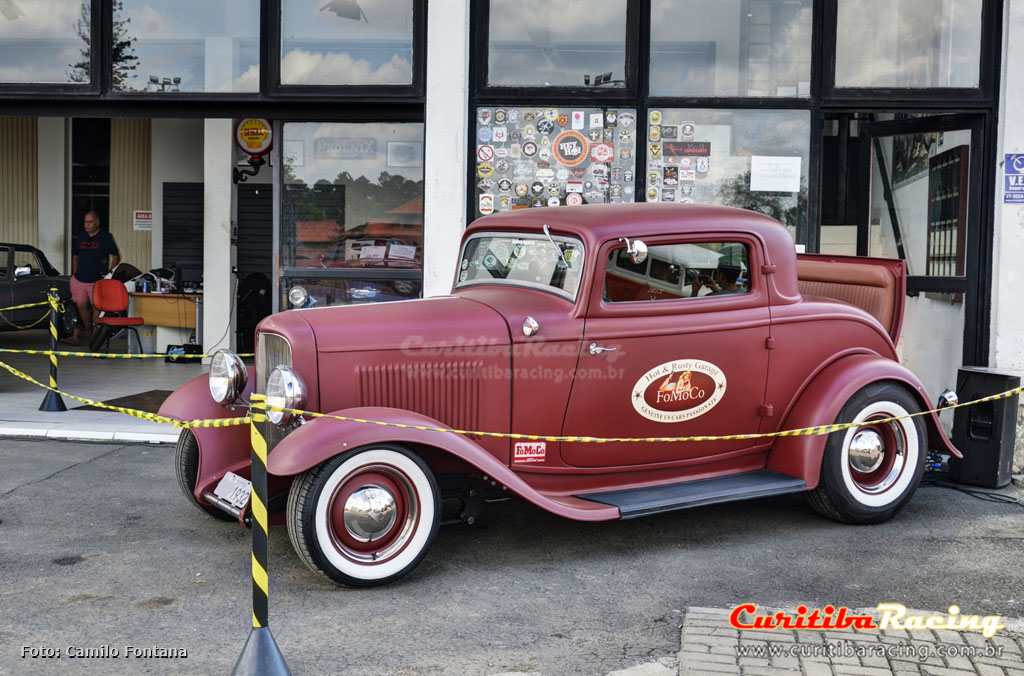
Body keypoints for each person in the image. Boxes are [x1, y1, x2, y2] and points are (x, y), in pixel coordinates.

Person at [69, 211, 120, 344]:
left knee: (97, 307)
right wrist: (75, 273)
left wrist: (110, 273)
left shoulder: (105, 237)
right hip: (79, 279)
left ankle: (95, 336)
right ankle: (89, 329)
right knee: (81, 305)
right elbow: (75, 256)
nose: (87, 225)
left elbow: (116, 256)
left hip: (97, 280)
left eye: (90, 222)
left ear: (97, 223)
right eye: (85, 222)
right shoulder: (80, 237)